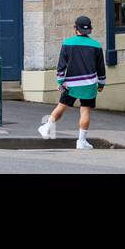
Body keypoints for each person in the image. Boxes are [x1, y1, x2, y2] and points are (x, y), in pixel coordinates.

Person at [39, 16, 107, 149]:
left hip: (70, 83)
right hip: (89, 83)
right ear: (89, 29)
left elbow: (61, 65)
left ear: (75, 28)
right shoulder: (97, 46)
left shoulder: (67, 43)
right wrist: (101, 84)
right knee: (85, 111)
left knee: (61, 106)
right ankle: (81, 141)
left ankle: (47, 127)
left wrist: (60, 81)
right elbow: (101, 68)